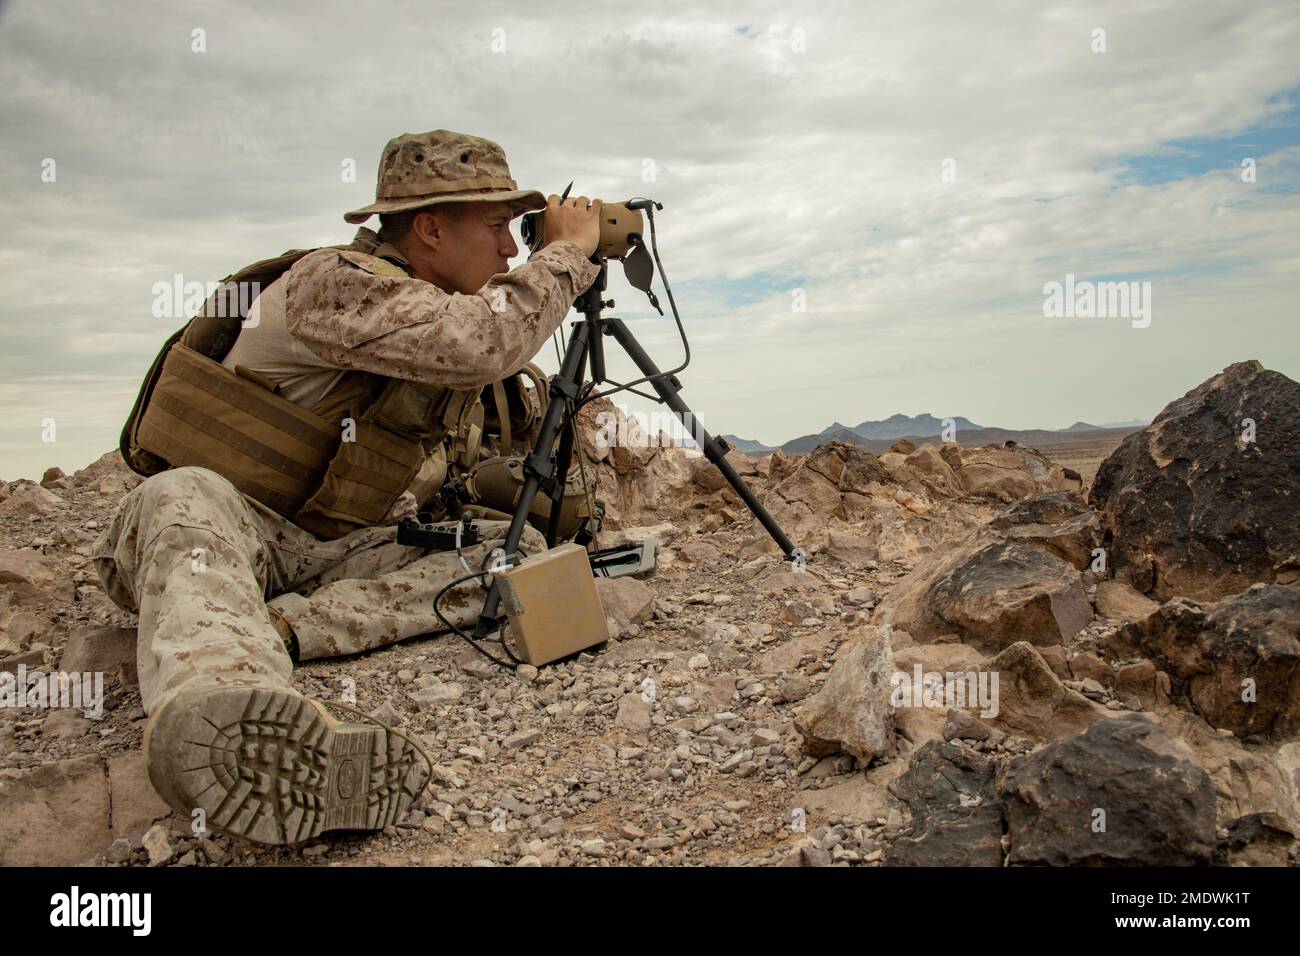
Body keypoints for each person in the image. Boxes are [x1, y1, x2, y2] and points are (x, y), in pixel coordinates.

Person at [93, 129, 603, 846]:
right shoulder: (333, 282)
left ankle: (279, 631)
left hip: (330, 545)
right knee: (184, 495)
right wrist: (568, 254)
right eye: (495, 229)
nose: (510, 252)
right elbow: (481, 340)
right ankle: (222, 710)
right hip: (227, 527)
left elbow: (494, 387)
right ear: (428, 227)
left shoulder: (422, 309)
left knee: (503, 549)